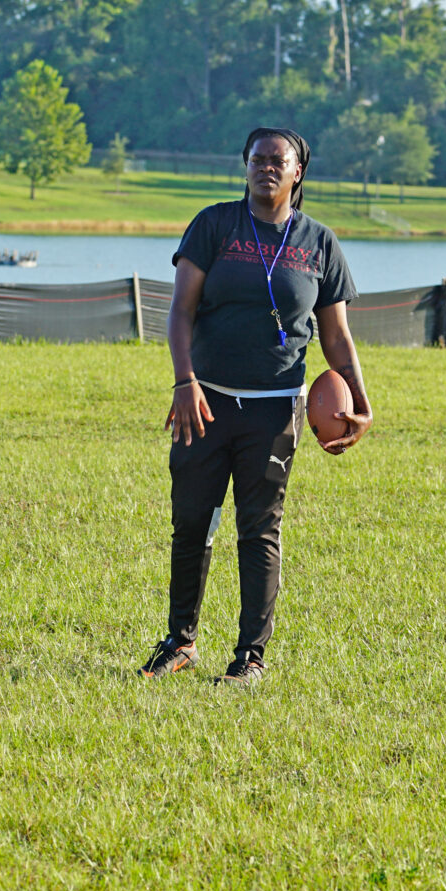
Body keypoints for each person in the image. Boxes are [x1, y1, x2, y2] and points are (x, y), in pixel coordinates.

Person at [138, 127, 371, 685]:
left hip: (274, 409)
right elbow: (180, 312)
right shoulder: (214, 225)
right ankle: (180, 641)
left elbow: (336, 337)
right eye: (257, 159)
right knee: (192, 523)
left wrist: (360, 401)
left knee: (259, 529)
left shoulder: (319, 242)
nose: (266, 167)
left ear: (298, 173)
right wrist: (184, 381)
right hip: (205, 402)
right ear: (243, 166)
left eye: (278, 160)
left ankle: (250, 658)